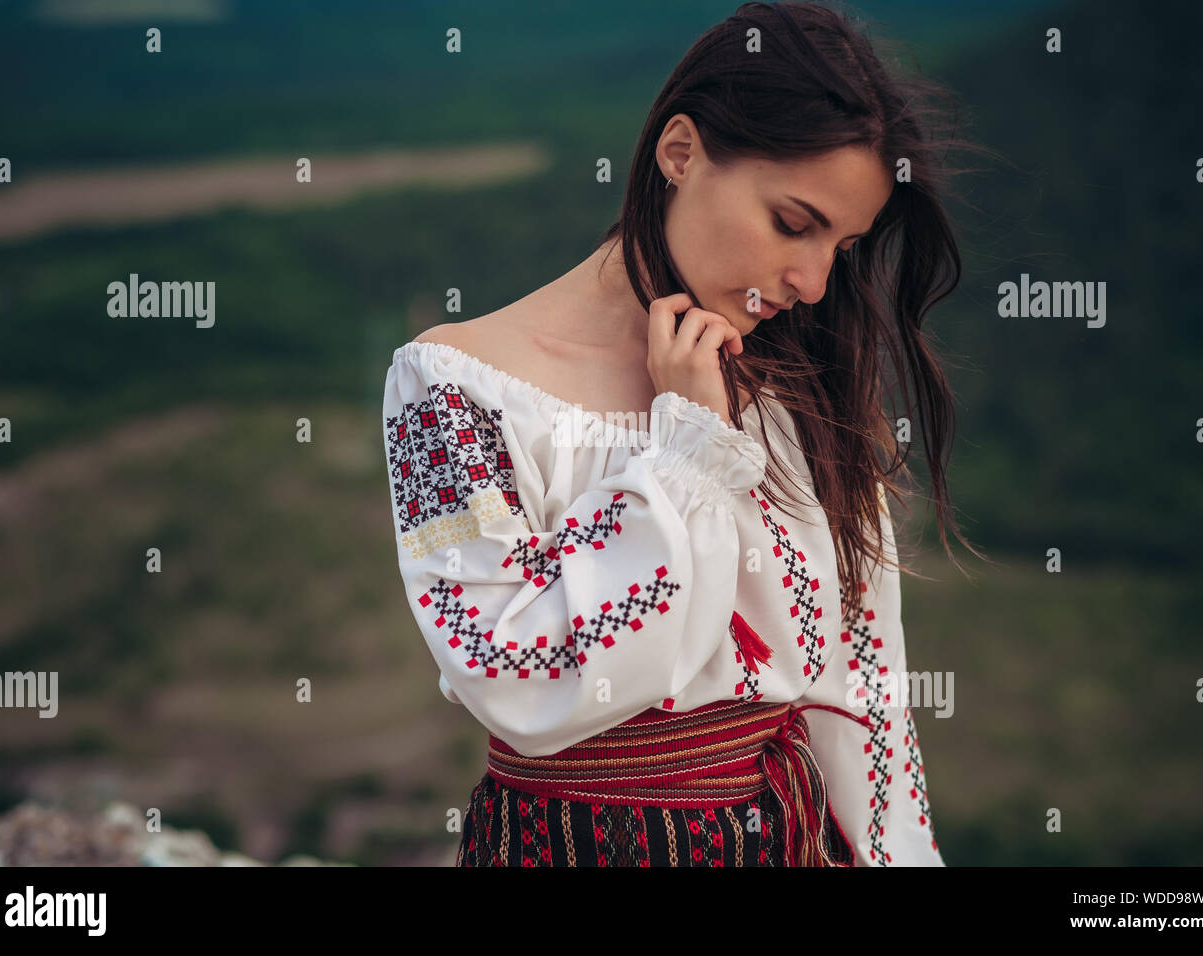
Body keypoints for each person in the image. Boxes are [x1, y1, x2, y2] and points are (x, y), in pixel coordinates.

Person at [382, 0, 985, 867]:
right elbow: (510, 674)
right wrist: (687, 452)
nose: (813, 282)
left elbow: (859, 688)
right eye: (792, 224)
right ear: (680, 152)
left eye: (843, 245)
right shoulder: (450, 389)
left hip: (782, 838)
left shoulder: (794, 394)